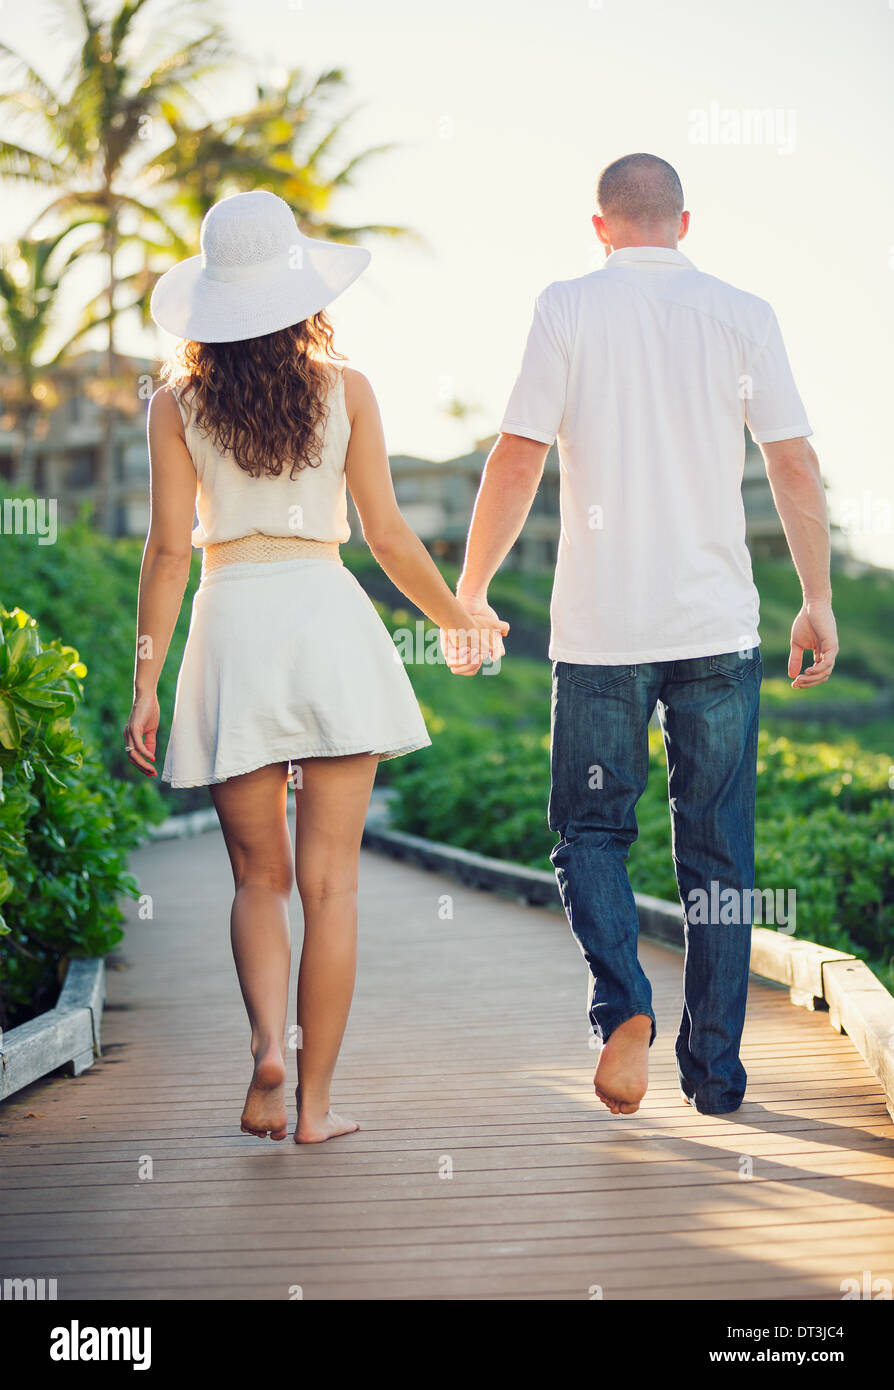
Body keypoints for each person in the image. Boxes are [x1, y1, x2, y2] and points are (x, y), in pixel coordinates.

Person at [450, 153, 838, 1117]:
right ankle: (715, 1075)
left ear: (600, 226)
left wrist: (472, 588)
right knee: (718, 856)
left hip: (600, 635)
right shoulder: (744, 313)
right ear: (684, 222)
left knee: (590, 832)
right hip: (717, 629)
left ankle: (624, 1006)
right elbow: (792, 464)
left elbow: (518, 454)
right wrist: (817, 597)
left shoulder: (567, 305)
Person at [125, 189, 505, 1144]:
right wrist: (458, 619)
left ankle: (265, 1045)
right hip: (328, 618)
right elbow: (385, 534)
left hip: (232, 625)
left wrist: (146, 678)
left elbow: (169, 550)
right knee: (333, 885)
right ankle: (317, 1107)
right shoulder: (349, 389)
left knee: (260, 880)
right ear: (298, 288)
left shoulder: (176, 404)